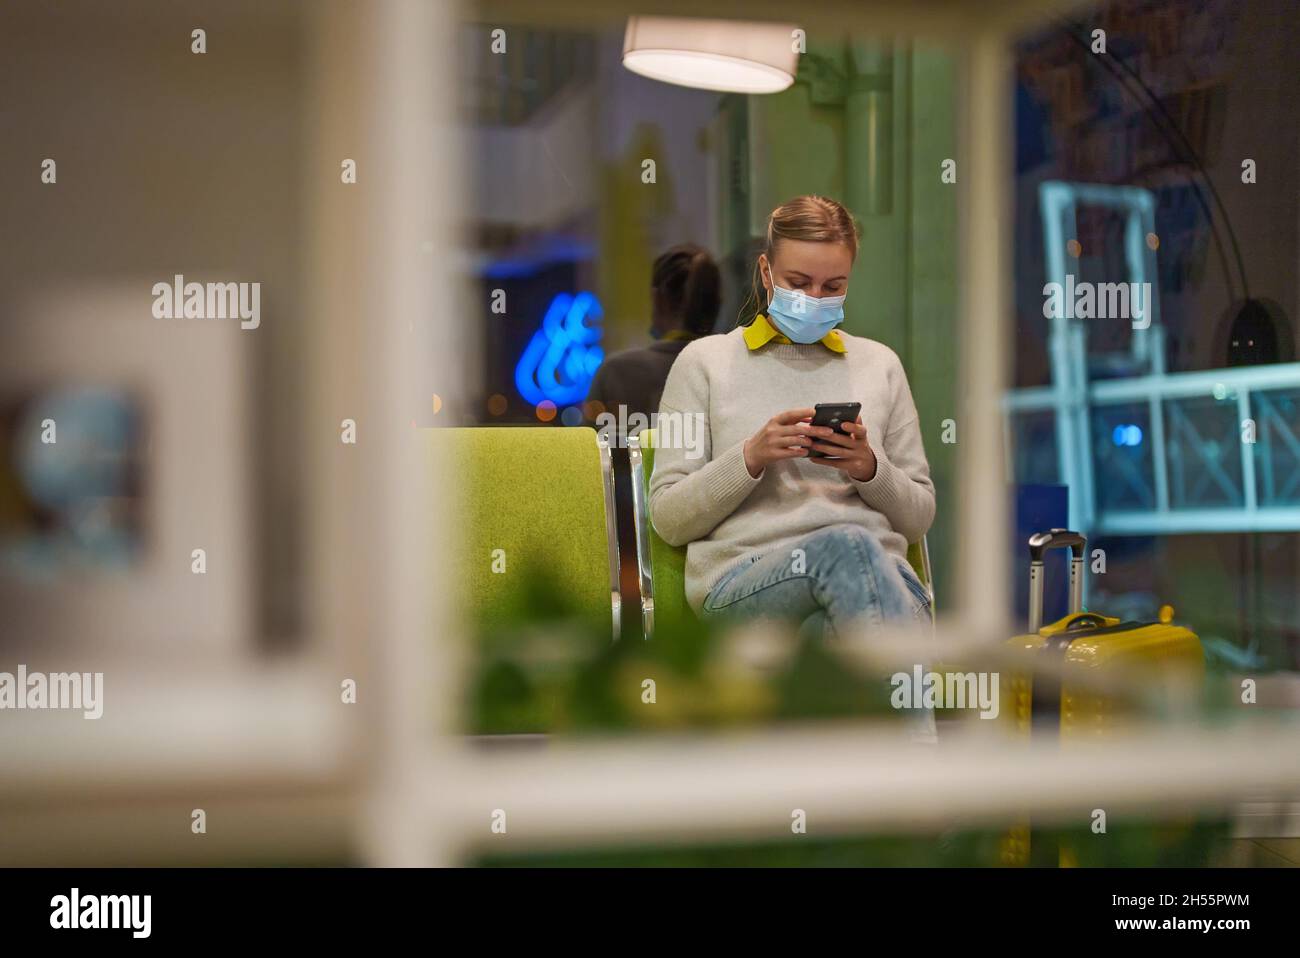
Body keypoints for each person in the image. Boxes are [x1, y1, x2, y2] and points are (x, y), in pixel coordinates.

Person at [648, 195, 935, 647]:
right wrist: (749, 457)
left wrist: (869, 468)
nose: (814, 299)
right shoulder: (704, 363)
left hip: (884, 584)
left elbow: (918, 518)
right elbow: (668, 517)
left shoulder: (880, 365)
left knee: (828, 635)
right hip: (748, 582)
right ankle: (910, 715)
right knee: (846, 546)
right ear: (766, 273)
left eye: (832, 286)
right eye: (798, 283)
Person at [586, 243, 721, 426]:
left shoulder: (615, 374)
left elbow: (590, 450)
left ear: (658, 299)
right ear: (716, 304)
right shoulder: (732, 371)